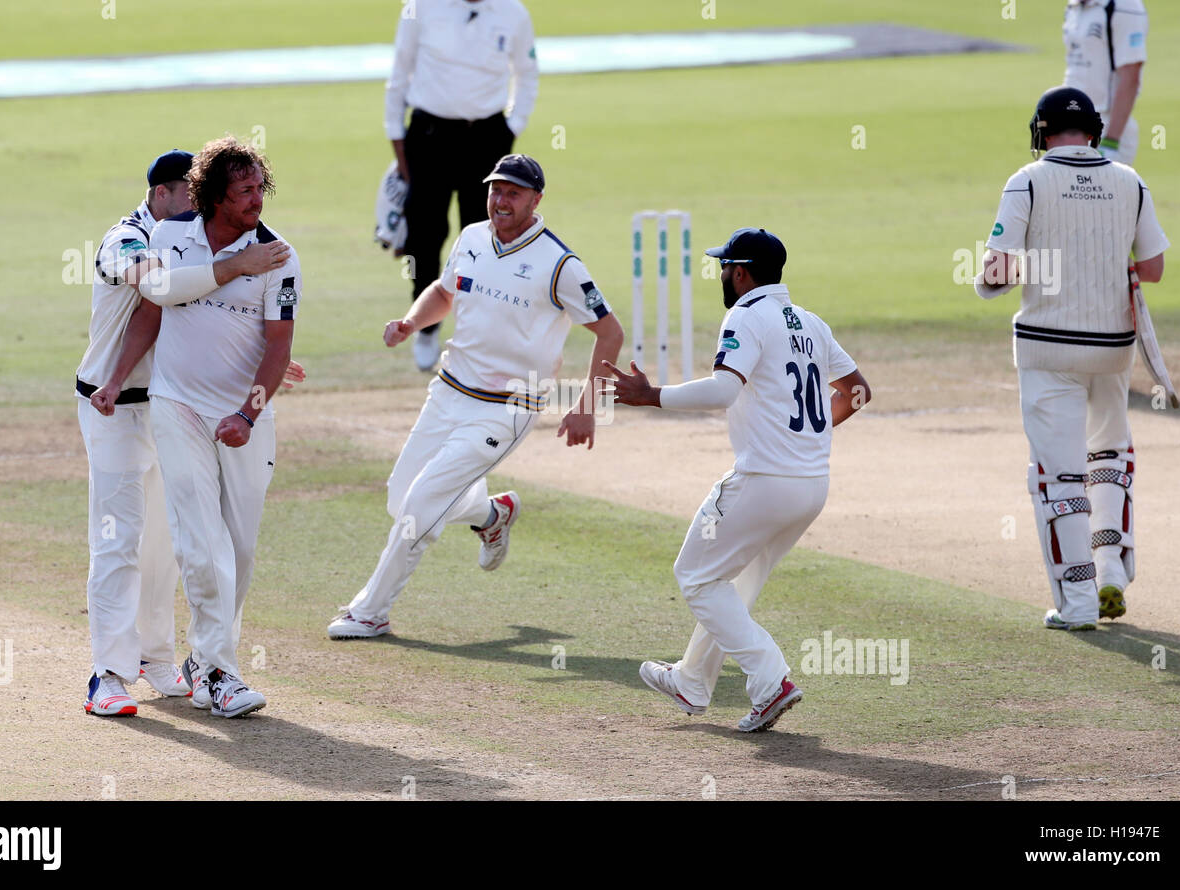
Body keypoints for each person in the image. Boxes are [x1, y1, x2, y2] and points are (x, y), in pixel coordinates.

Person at [328, 154, 623, 640]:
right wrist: (411, 322)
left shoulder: (561, 265)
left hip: (508, 408)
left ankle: (371, 611)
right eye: (495, 190)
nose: (500, 201)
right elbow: (444, 293)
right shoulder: (469, 237)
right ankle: (492, 514)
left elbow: (610, 333)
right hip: (448, 390)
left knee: (421, 505)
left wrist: (589, 407)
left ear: (536, 200)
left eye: (513, 193)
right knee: (399, 499)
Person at [604, 227, 870, 732]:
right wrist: (807, 435)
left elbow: (725, 389)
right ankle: (692, 681)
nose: (722, 275)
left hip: (764, 482)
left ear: (741, 273)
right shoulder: (811, 322)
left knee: (697, 576)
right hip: (811, 484)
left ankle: (770, 680)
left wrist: (650, 395)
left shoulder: (746, 314)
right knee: (735, 583)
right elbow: (857, 391)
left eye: (724, 267)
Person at [77, 149, 292, 717]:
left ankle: (156, 656)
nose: (195, 203)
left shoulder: (198, 235)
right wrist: (234, 268)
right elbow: (159, 290)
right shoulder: (127, 238)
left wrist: (258, 362)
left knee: (169, 545)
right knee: (119, 538)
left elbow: (214, 317)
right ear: (160, 192)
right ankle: (109, 673)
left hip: (175, 407)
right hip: (117, 409)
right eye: (187, 191)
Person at [976, 86, 1168, 629]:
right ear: (1095, 130)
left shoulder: (1028, 180)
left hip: (1047, 346)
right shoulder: (1129, 180)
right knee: (1108, 455)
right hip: (1113, 349)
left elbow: (997, 270)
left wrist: (1002, 275)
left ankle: (1078, 603)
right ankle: (1111, 568)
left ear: (1041, 131)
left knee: (1057, 476)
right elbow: (1151, 268)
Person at [385, 0, 540, 371]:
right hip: (428, 134)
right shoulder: (420, 7)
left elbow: (527, 72)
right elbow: (400, 71)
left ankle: (482, 333)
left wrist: (511, 126)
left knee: (488, 236)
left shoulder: (513, 12)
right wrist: (396, 136)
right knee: (426, 233)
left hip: (486, 136)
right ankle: (425, 327)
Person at [1062, 0, 1148, 165]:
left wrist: (1111, 142)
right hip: (1071, 125)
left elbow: (1131, 75)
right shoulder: (1074, 5)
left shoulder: (1124, 6)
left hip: (1104, 127)